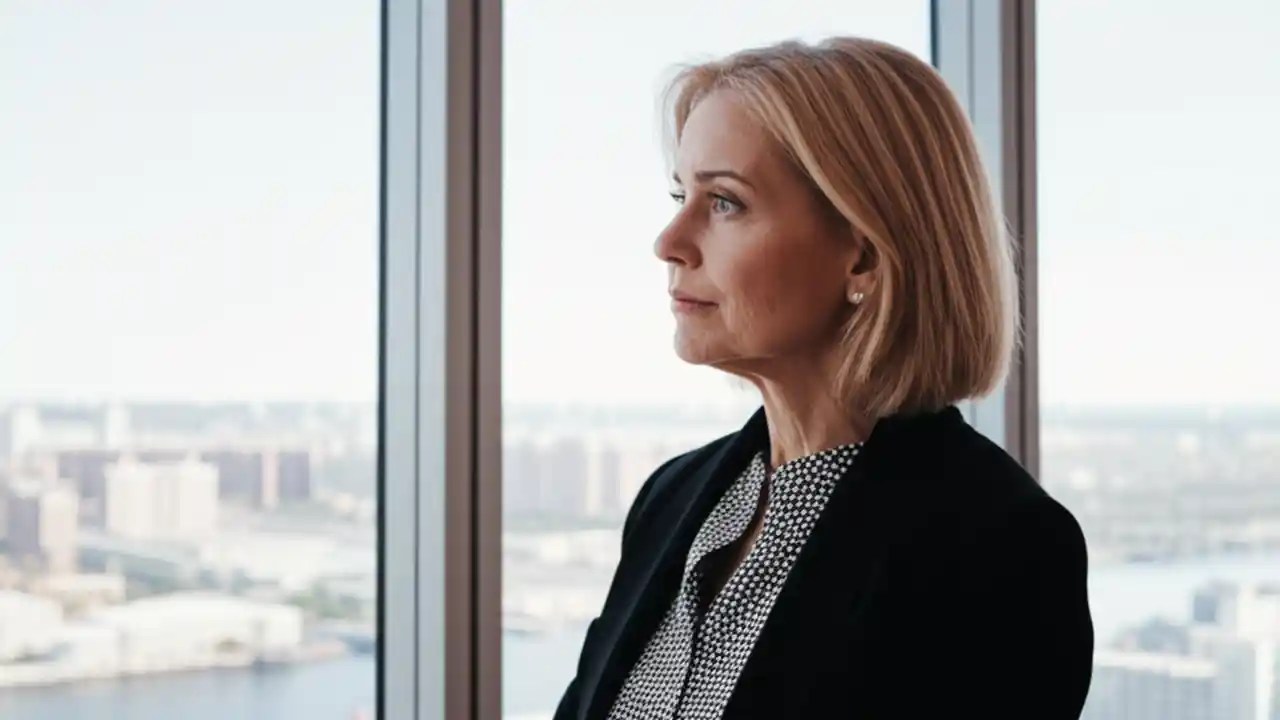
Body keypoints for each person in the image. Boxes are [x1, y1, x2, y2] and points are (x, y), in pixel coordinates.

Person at [552, 36, 1093, 720]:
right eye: (680, 193)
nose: (669, 240)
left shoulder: (998, 545)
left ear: (863, 255)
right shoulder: (671, 498)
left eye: (724, 203)